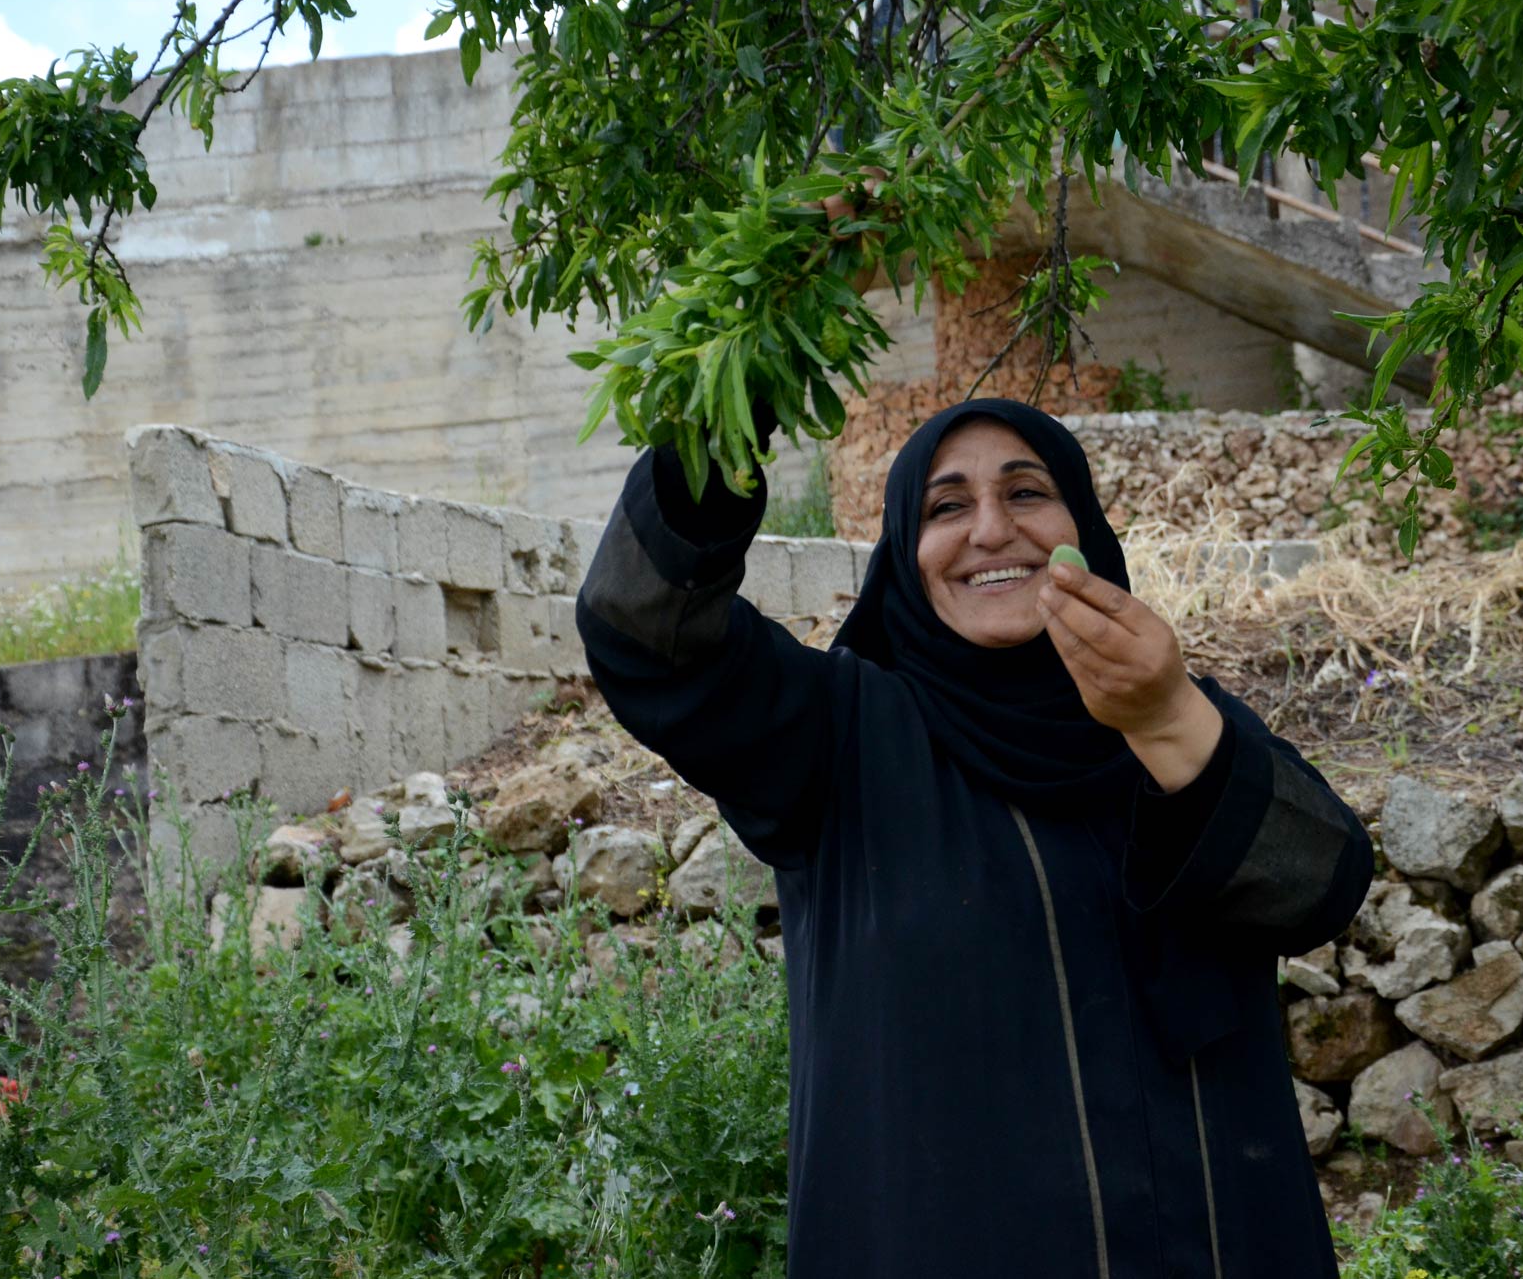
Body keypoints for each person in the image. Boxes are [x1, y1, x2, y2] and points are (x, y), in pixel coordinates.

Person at [576, 397, 1374, 1278]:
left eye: (1027, 492)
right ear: (904, 552)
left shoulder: (1172, 716)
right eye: (946, 506)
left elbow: (1322, 882)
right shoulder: (837, 739)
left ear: (1082, 526)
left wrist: (1166, 718)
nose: (991, 530)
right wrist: (711, 441)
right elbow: (645, 636)